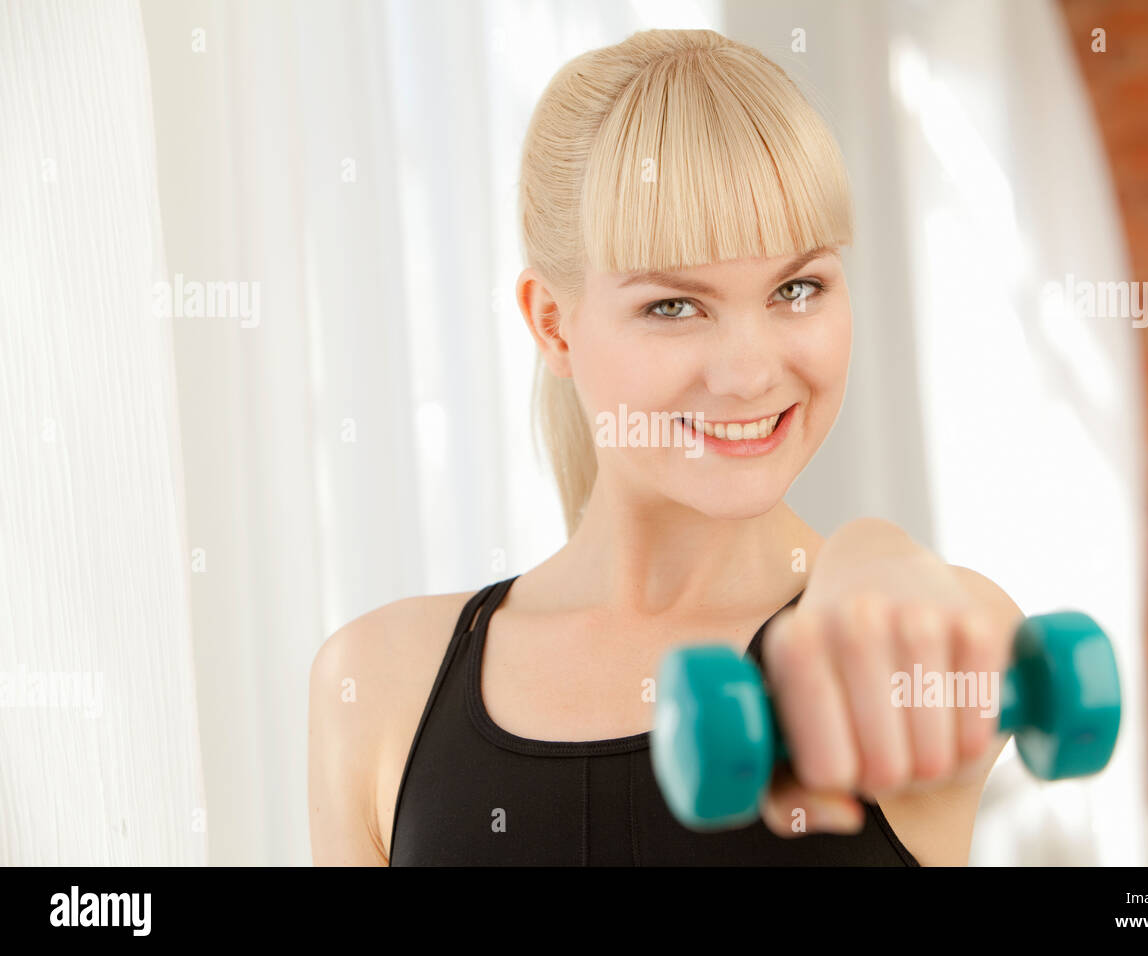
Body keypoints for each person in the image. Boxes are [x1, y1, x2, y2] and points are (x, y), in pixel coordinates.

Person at [308, 27, 1023, 866]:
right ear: (553, 324)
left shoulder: (914, 643)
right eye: (674, 306)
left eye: (798, 288)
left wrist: (877, 548)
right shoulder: (378, 686)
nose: (752, 373)